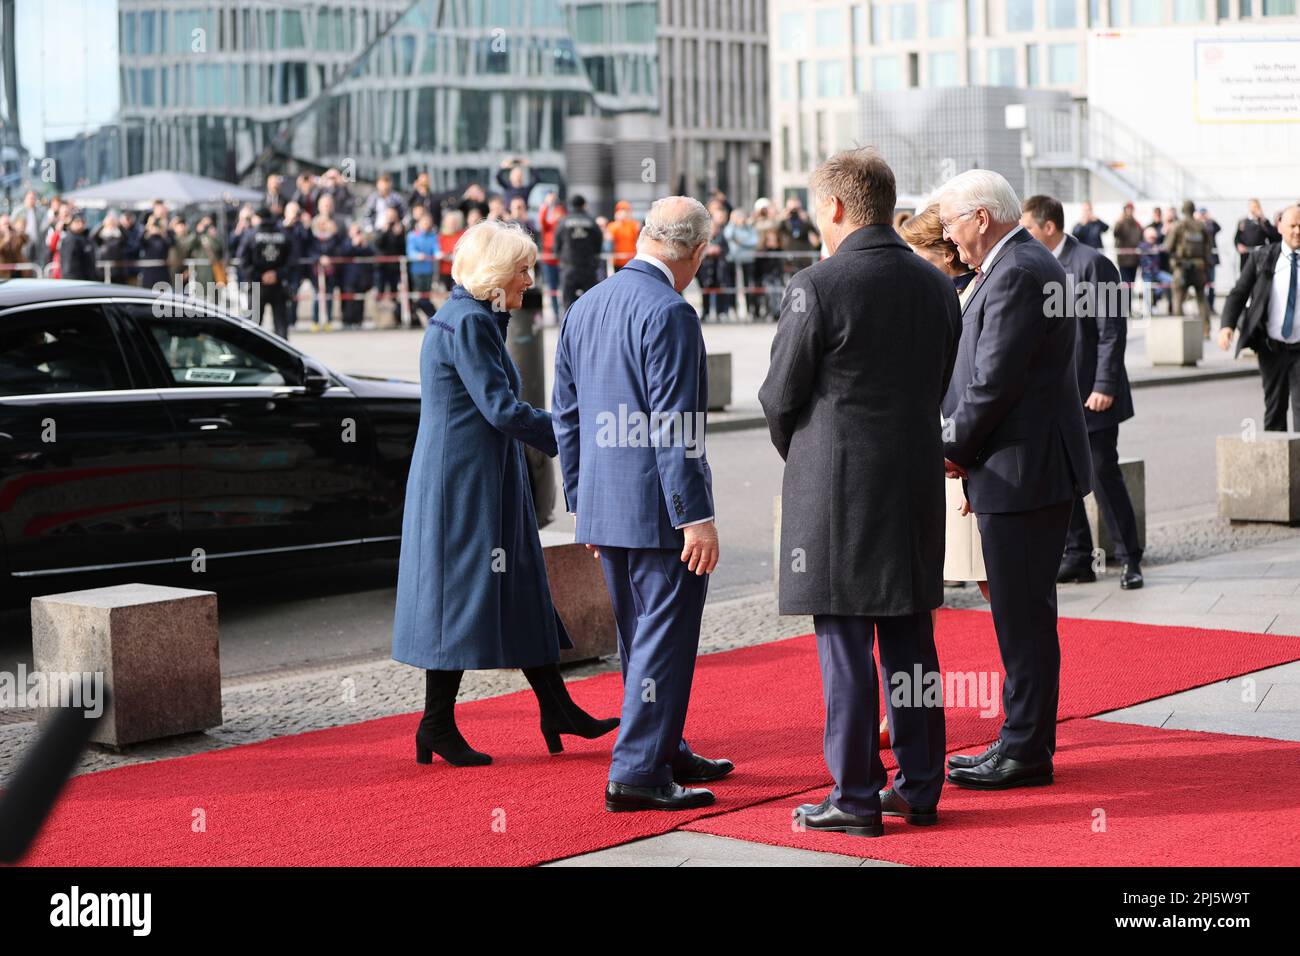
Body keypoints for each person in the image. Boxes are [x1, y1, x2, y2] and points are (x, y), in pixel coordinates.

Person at [760, 150, 959, 836]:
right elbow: (938, 383)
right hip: (912, 487)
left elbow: (779, 396)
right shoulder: (937, 286)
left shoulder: (817, 284)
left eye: (819, 207)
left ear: (837, 207)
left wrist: (809, 453)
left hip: (838, 493)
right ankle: (922, 785)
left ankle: (854, 795)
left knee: (844, 646)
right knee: (912, 642)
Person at [391, 219, 618, 766]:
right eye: (523, 270)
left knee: (520, 588)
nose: (530, 280)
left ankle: (556, 706)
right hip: (464, 484)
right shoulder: (469, 322)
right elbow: (500, 409)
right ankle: (437, 723)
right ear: (495, 274)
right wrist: (573, 431)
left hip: (482, 476)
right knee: (461, 596)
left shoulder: (471, 317)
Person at [552, 196, 732, 812]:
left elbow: (567, 417)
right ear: (698, 251)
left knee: (640, 637)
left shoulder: (586, 304)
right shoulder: (671, 313)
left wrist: (582, 502)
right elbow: (677, 427)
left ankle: (662, 746)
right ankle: (637, 772)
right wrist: (696, 517)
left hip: (609, 503)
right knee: (663, 639)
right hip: (660, 510)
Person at [937, 169, 1092, 791]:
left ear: (981, 217)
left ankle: (1025, 749)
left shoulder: (1019, 270)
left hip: (1022, 471)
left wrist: (951, 449)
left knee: (1023, 618)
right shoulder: (1015, 264)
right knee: (1022, 616)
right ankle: (1023, 739)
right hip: (1015, 467)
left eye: (950, 222)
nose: (946, 236)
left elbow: (992, 382)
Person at [1021, 195, 1143, 592]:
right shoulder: (1035, 265)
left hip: (1093, 394)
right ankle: (1078, 557)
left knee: (1103, 474)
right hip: (1054, 397)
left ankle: (1129, 559)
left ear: (1049, 228)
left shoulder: (1092, 263)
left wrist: (1104, 385)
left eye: (1028, 228)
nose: (1022, 235)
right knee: (1062, 479)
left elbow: (1112, 330)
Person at [898, 205, 986, 605]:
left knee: (989, 578)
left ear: (946, 253)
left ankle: (1018, 668)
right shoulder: (932, 297)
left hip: (962, 449)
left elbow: (983, 385)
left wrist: (959, 455)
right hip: (941, 449)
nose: (913, 262)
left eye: (921, 253)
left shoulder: (973, 295)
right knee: (939, 580)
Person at [1218, 205, 1300, 432]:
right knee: (1274, 410)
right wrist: (1227, 326)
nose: (1297, 231)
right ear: (1280, 227)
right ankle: (1276, 465)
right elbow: (1238, 293)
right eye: (1292, 226)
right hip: (1271, 347)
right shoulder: (1262, 258)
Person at [240, 207, 292, 339]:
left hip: (257, 284)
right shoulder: (284, 234)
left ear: (258, 218)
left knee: (253, 328)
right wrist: (278, 274)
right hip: (279, 284)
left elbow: (243, 259)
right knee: (281, 328)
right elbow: (292, 260)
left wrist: (259, 276)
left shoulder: (251, 234)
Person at [1164, 200, 1212, 337]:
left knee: (1178, 297)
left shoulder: (1178, 226)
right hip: (1199, 266)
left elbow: (1168, 247)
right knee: (1202, 299)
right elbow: (1208, 246)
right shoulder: (1201, 226)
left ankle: (1178, 331)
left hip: (1182, 266)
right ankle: (1206, 330)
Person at [553, 194, 603, 314]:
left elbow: (557, 244)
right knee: (591, 303)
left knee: (568, 304)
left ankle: (568, 328)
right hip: (588, 268)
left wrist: (561, 259)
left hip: (569, 268)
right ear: (584, 205)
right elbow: (599, 243)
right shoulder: (591, 221)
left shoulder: (563, 221)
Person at [537, 192, 566, 323]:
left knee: (564, 286)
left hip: (561, 257)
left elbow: (562, 225)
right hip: (548, 257)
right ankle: (556, 314)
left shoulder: (561, 211)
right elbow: (542, 223)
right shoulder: (545, 212)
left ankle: (565, 313)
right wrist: (546, 206)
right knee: (552, 288)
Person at [340, 222, 374, 328]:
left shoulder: (365, 243)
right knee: (349, 300)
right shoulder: (346, 242)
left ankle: (359, 320)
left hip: (362, 277)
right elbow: (344, 253)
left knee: (360, 299)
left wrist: (364, 245)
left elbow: (372, 252)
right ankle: (347, 321)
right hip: (349, 276)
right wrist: (353, 244)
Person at [405, 209, 439, 318]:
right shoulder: (413, 235)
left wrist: (438, 253)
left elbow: (435, 248)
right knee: (420, 296)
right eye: (425, 222)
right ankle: (431, 315)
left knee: (426, 295)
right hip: (417, 270)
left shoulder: (433, 236)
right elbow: (410, 251)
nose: (427, 224)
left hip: (428, 269)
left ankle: (429, 315)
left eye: (428, 222)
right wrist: (417, 255)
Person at [1235, 198, 1281, 270]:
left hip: (1260, 253)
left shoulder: (1263, 221)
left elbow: (1273, 235)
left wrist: (1263, 220)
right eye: (1252, 206)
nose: (1254, 209)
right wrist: (1238, 245)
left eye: (1256, 206)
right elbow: (1237, 237)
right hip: (1246, 255)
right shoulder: (1243, 221)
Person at [1112, 202, 1144, 289]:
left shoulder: (1137, 224)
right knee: (1126, 283)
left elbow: (1141, 239)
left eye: (1131, 209)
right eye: (1128, 209)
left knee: (1131, 284)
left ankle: (1128, 302)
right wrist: (1119, 222)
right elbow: (1116, 233)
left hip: (1134, 259)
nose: (1129, 211)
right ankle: (1125, 302)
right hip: (1124, 260)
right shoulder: (1121, 223)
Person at [1197, 207, 1222, 314]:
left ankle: (1211, 306)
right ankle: (1203, 307)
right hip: (1200, 259)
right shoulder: (1196, 226)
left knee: (1211, 284)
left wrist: (1209, 219)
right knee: (1201, 284)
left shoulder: (1210, 225)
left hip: (1211, 259)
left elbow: (1218, 228)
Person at [605, 200, 640, 271]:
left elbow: (637, 237)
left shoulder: (634, 225)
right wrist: (619, 222)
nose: (624, 213)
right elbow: (609, 240)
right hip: (617, 261)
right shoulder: (612, 226)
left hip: (631, 260)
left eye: (627, 210)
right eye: (622, 210)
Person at [436, 208, 465, 292]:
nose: (452, 223)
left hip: (459, 270)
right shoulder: (441, 236)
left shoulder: (462, 234)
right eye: (450, 221)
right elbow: (438, 250)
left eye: (454, 221)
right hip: (445, 270)